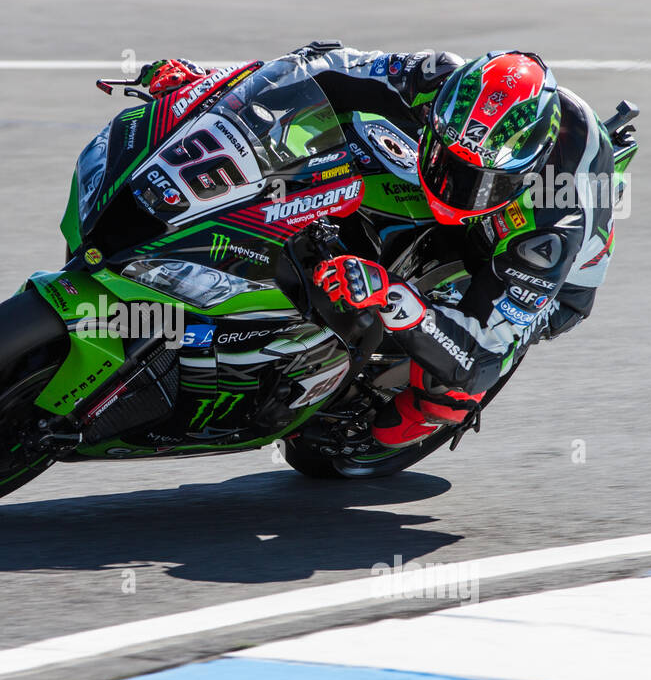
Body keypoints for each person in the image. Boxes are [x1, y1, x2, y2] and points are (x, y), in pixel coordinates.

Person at [136, 48, 617, 447]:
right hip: (457, 178)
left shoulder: (555, 223)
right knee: (331, 151)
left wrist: (391, 296)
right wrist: (208, 84)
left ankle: (431, 410)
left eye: (476, 181)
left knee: (451, 388)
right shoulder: (439, 80)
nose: (454, 187)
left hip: (535, 276)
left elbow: (483, 350)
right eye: (449, 164)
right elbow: (319, 67)